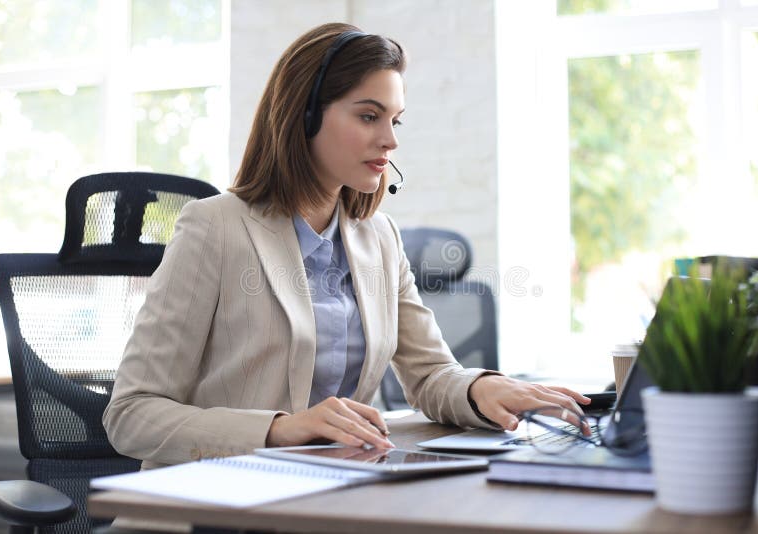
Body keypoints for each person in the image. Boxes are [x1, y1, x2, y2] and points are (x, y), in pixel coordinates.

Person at [102, 22, 590, 469]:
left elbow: (430, 375)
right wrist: (277, 430)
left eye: (395, 120)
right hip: (218, 504)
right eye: (368, 116)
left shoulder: (379, 238)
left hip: (331, 490)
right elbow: (130, 414)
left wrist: (484, 387)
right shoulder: (215, 227)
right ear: (306, 115)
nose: (389, 140)